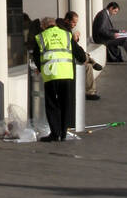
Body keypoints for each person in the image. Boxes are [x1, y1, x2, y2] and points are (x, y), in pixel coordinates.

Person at [34, 13, 88, 142]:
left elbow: (36, 57)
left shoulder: (40, 37)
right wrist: (82, 59)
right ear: (55, 24)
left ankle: (55, 133)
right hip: (66, 74)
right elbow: (80, 55)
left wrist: (41, 69)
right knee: (65, 104)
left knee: (52, 104)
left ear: (43, 26)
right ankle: (63, 133)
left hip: (51, 75)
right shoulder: (66, 35)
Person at [64, 10, 105, 101]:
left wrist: (75, 39)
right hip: (66, 60)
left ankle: (91, 61)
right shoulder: (65, 32)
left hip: (68, 57)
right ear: (67, 20)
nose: (75, 25)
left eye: (76, 23)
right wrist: (74, 39)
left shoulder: (66, 30)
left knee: (85, 57)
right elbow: (74, 48)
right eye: (73, 22)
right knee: (88, 66)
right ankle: (90, 92)